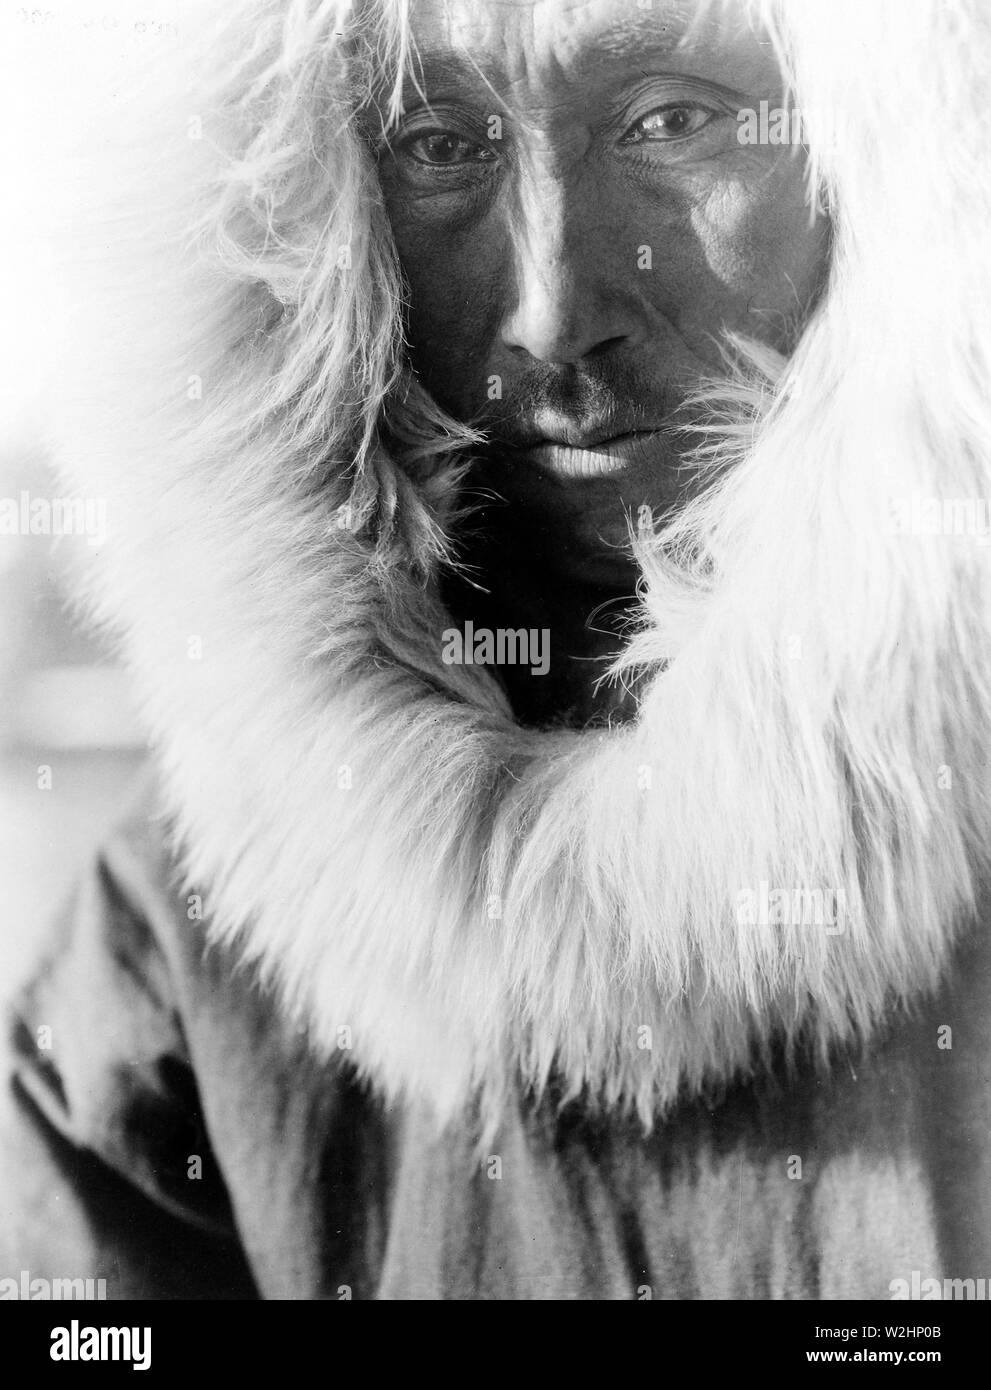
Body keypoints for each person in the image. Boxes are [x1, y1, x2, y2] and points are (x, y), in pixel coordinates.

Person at [3, 0, 991, 1299]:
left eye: (674, 119)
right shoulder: (165, 978)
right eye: (440, 141)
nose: (549, 309)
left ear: (904, 169)